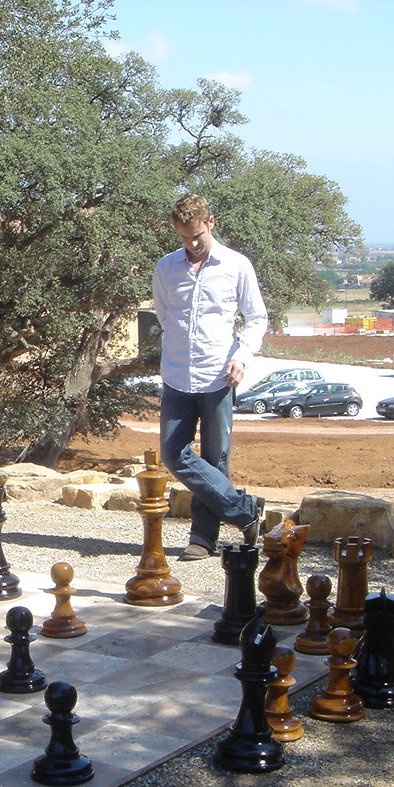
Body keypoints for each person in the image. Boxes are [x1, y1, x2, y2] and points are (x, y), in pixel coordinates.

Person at [152, 194, 268, 561]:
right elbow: (164, 316)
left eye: (198, 235)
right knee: (173, 454)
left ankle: (202, 539)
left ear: (211, 223)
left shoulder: (237, 265)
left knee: (215, 459)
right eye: (185, 237)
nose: (193, 243)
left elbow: (257, 318)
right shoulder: (166, 268)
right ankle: (247, 511)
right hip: (176, 374)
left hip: (220, 376)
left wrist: (241, 356)